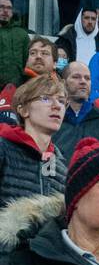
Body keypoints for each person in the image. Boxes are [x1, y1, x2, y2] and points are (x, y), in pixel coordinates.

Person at [0, 74, 68, 206]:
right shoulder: (3, 149)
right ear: (24, 110)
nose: (57, 106)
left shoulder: (61, 166)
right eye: (45, 98)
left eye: (61, 101)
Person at [52, 61, 99, 157]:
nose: (83, 81)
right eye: (76, 77)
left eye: (87, 78)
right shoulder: (52, 119)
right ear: (63, 82)